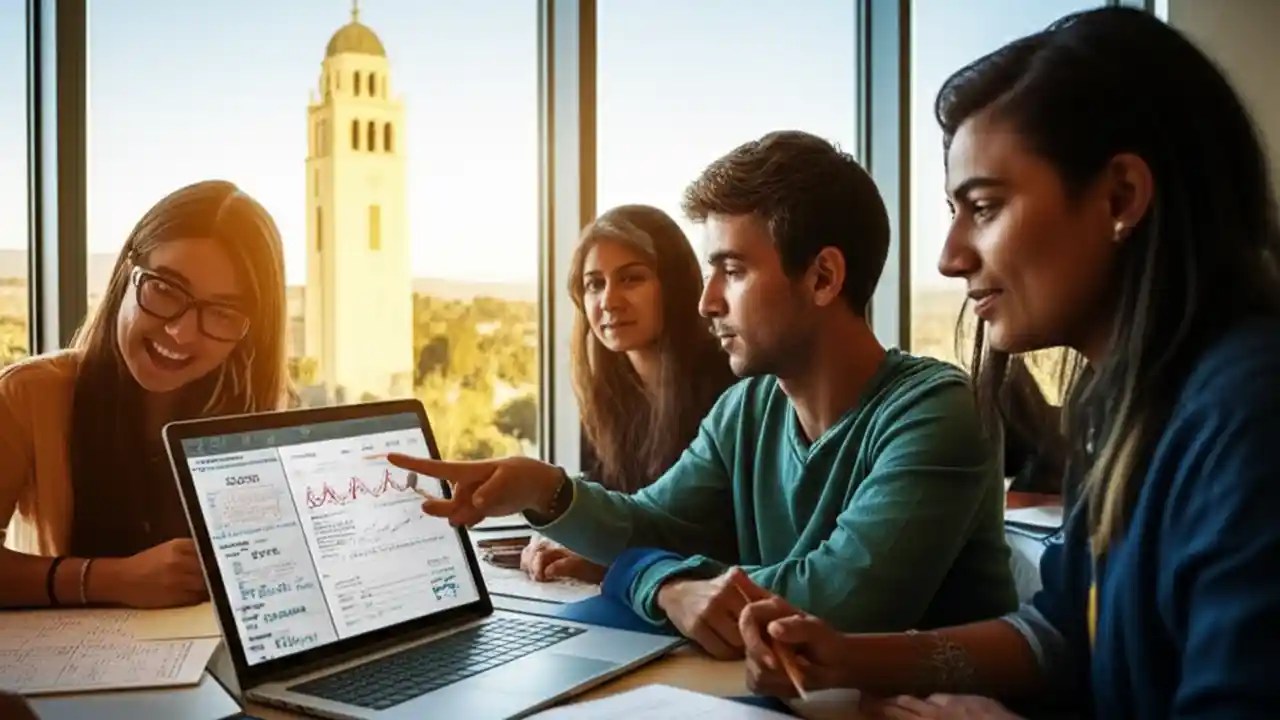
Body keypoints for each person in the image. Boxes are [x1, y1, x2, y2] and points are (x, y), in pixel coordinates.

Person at [735, 8, 1280, 719]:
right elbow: (1056, 633)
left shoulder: (1250, 414)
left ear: (1120, 197)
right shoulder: (1126, 406)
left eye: (984, 208)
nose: (950, 256)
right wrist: (850, 656)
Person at [393, 130, 1017, 659]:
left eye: (734, 271)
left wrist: (650, 579)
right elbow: (653, 522)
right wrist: (545, 489)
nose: (706, 301)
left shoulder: (935, 411)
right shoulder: (746, 407)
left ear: (823, 277)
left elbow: (833, 600)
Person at [0, 180, 290, 609]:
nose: (180, 331)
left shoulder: (257, 414)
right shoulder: (28, 395)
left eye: (223, 312)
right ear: (126, 275)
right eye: (166, 289)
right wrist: (109, 580)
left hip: (210, 670)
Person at [520, 204, 736, 584]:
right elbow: (609, 502)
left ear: (675, 285)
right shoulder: (610, 398)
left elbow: (724, 543)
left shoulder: (730, 390)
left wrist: (615, 564)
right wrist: (556, 533)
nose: (609, 301)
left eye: (632, 279)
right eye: (594, 284)